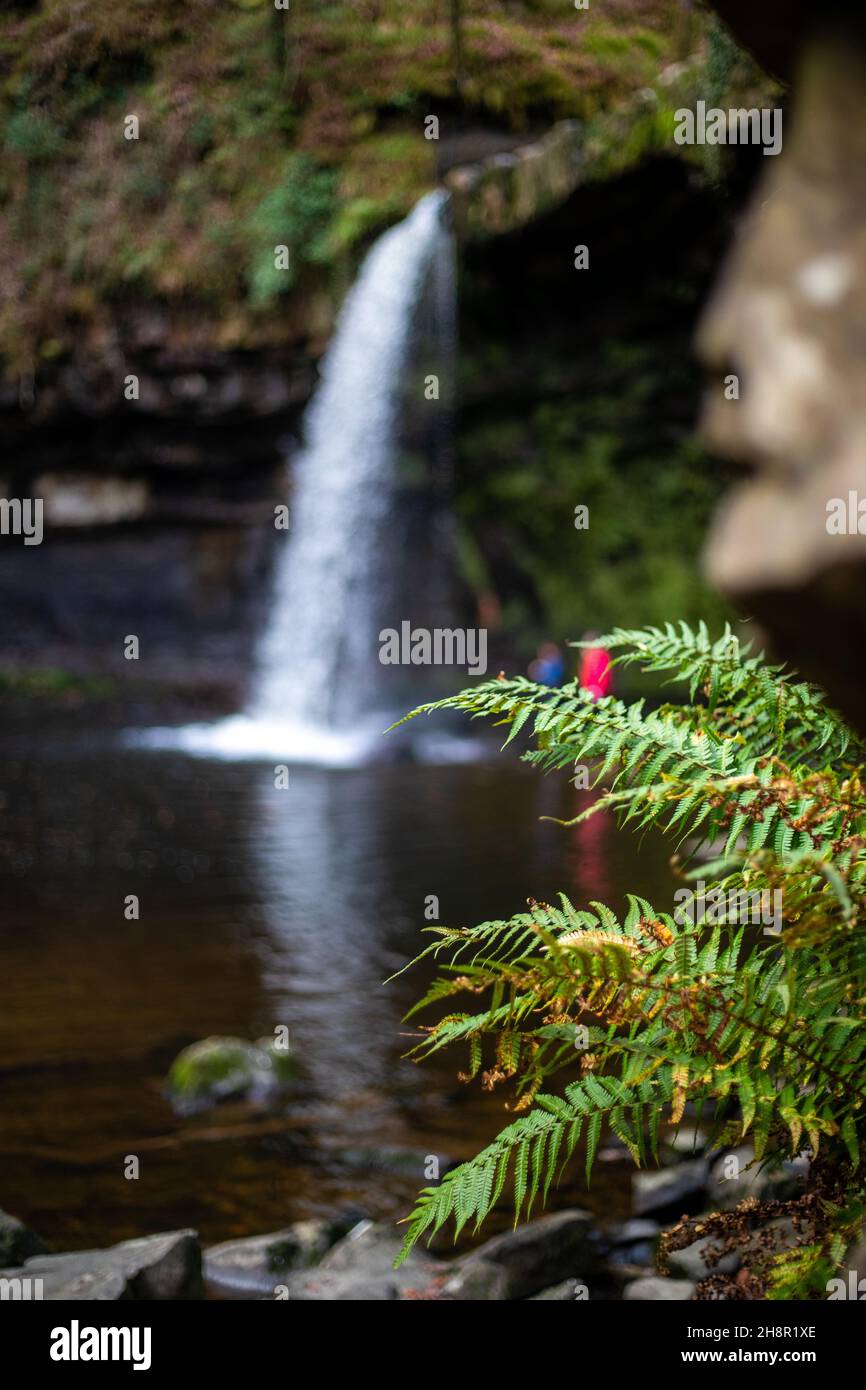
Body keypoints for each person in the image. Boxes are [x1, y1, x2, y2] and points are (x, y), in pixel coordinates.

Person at [578, 631, 612, 701]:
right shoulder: (603, 654)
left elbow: (599, 675)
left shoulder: (595, 655)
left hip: (594, 692)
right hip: (596, 691)